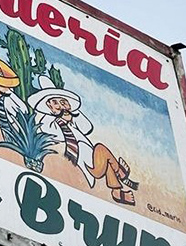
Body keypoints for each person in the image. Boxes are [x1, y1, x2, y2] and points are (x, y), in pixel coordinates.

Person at [28, 76, 138, 205]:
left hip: (93, 162)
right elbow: (50, 131)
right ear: (49, 106)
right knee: (101, 149)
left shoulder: (73, 122)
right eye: (56, 103)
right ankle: (121, 173)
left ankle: (117, 192)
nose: (61, 106)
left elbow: (87, 127)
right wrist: (61, 119)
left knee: (105, 159)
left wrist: (73, 115)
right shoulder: (47, 121)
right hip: (84, 164)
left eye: (64, 102)